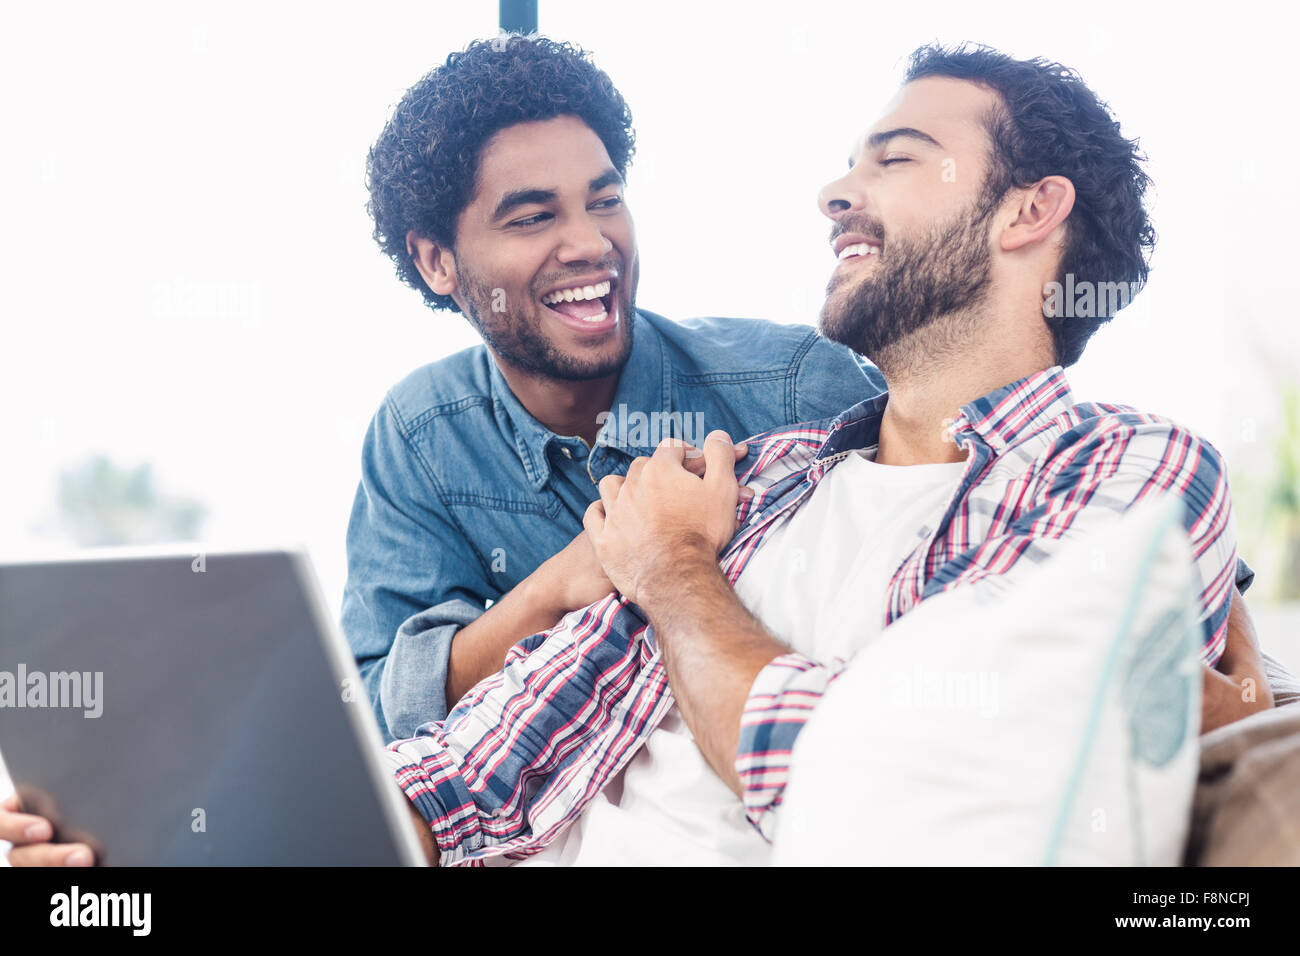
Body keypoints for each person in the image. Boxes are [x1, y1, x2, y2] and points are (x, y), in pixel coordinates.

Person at [3, 41, 1281, 867]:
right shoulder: (765, 479)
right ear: (440, 265)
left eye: (890, 159)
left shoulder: (1118, 469)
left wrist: (669, 574)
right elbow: (461, 766)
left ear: (1029, 211)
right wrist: (158, 835)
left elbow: (896, 787)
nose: (832, 194)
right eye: (531, 214)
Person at [345, 35, 881, 742]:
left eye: (605, 201)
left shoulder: (796, 383)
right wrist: (556, 589)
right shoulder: (423, 437)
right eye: (534, 218)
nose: (591, 243)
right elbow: (386, 705)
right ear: (436, 259)